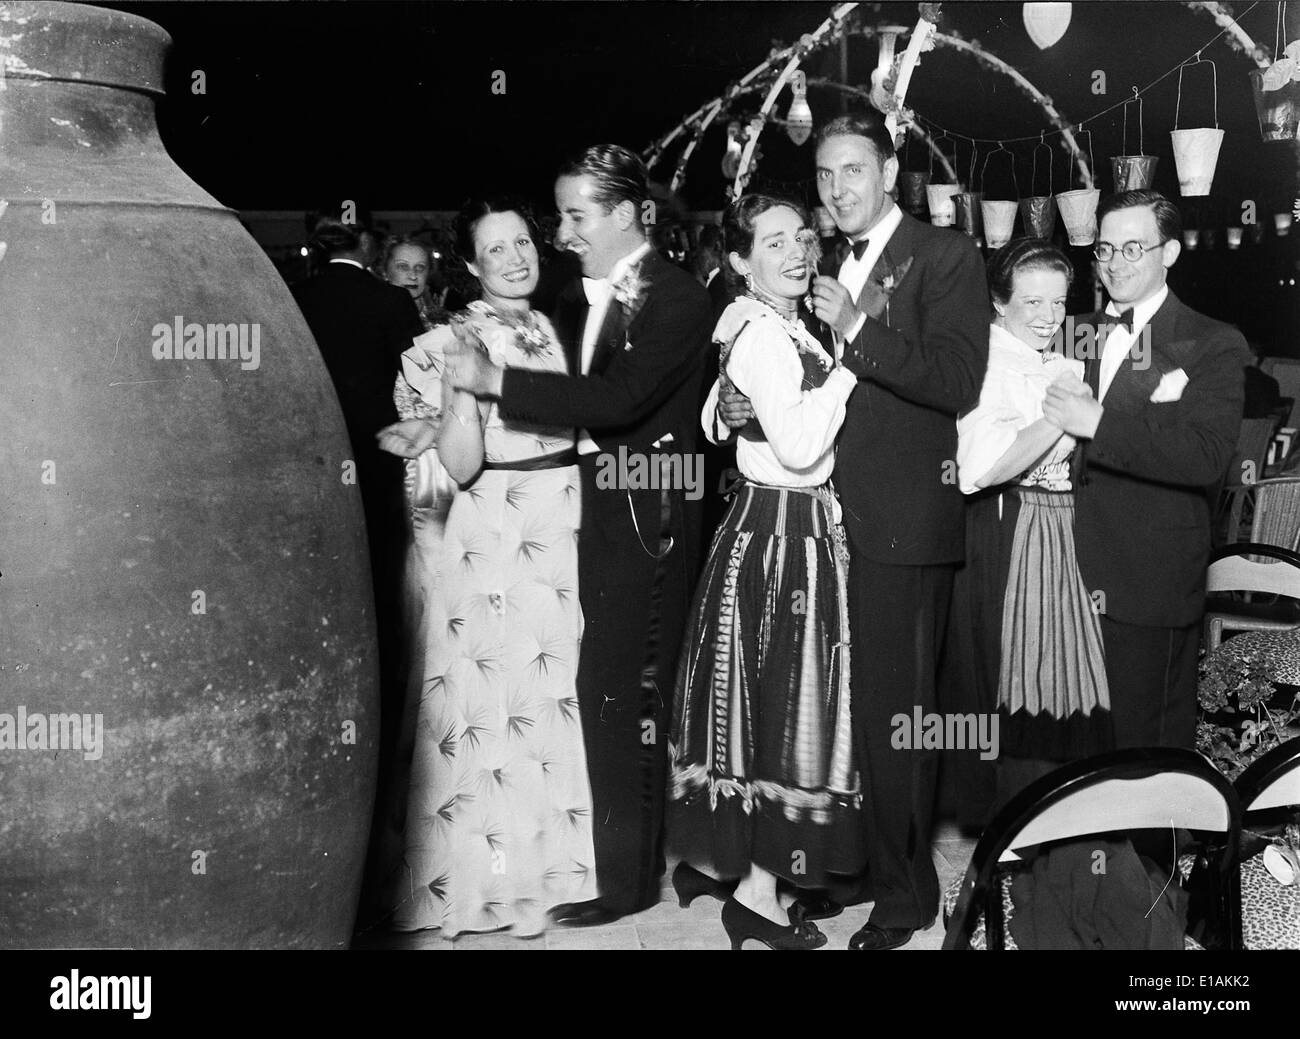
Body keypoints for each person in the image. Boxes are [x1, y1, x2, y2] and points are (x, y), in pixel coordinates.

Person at [710, 113, 989, 949]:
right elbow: (787, 379)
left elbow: (955, 380)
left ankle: (909, 898)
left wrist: (864, 327)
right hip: (825, 527)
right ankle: (863, 869)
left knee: (900, 717)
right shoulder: (818, 263)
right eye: (826, 176)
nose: (837, 190)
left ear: (891, 169)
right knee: (850, 716)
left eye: (853, 171)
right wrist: (738, 410)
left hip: (906, 525)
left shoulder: (946, 257)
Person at [443, 144, 714, 926]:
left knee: (626, 695)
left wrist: (494, 381)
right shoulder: (575, 296)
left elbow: (620, 398)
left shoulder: (678, 298)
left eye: (575, 215)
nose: (559, 233)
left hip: (647, 521)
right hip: (589, 515)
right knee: (598, 693)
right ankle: (611, 864)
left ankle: (627, 887)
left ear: (628, 215)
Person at [376, 198, 596, 938]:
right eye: (493, 249)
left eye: (521, 243)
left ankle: (544, 879)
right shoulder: (454, 339)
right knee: (492, 709)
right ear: (469, 264)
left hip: (555, 526)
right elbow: (461, 462)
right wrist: (463, 394)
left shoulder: (549, 328)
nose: (513, 257)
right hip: (498, 529)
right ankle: (487, 891)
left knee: (543, 695)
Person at [668, 194, 865, 950]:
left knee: (750, 702)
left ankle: (735, 863)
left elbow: (717, 419)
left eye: (801, 237)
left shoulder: (767, 323)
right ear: (741, 261)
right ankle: (756, 892)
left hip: (769, 529)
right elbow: (802, 447)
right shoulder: (765, 332)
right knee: (786, 704)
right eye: (772, 241)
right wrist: (848, 369)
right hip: (786, 536)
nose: (795, 250)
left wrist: (725, 411)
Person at [1043, 188, 1249, 750]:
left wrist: (1098, 423)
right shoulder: (1068, 331)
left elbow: (1205, 456)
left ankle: (1155, 842)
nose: (1114, 264)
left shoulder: (1212, 342)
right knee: (1068, 737)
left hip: (1146, 578)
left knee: (1141, 750)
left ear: (1171, 253)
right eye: (1105, 249)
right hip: (1057, 568)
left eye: (1133, 249)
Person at [292, 218, 424, 928]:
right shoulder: (389, 304)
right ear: (368, 251)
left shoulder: (298, 294)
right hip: (379, 456)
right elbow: (412, 386)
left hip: (316, 458)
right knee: (385, 571)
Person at [954, 238, 1113, 806]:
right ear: (999, 303)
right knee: (1019, 672)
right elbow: (981, 467)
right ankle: (1016, 827)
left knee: (1065, 670)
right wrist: (1064, 418)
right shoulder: (988, 364)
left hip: (1062, 528)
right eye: (1031, 304)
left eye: (1057, 302)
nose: (1048, 318)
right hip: (1012, 529)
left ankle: (1060, 819)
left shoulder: (1059, 362)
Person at [381, 235, 449, 331]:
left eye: (420, 267)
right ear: (385, 271)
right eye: (403, 266)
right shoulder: (372, 315)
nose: (413, 276)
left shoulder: (441, 319)